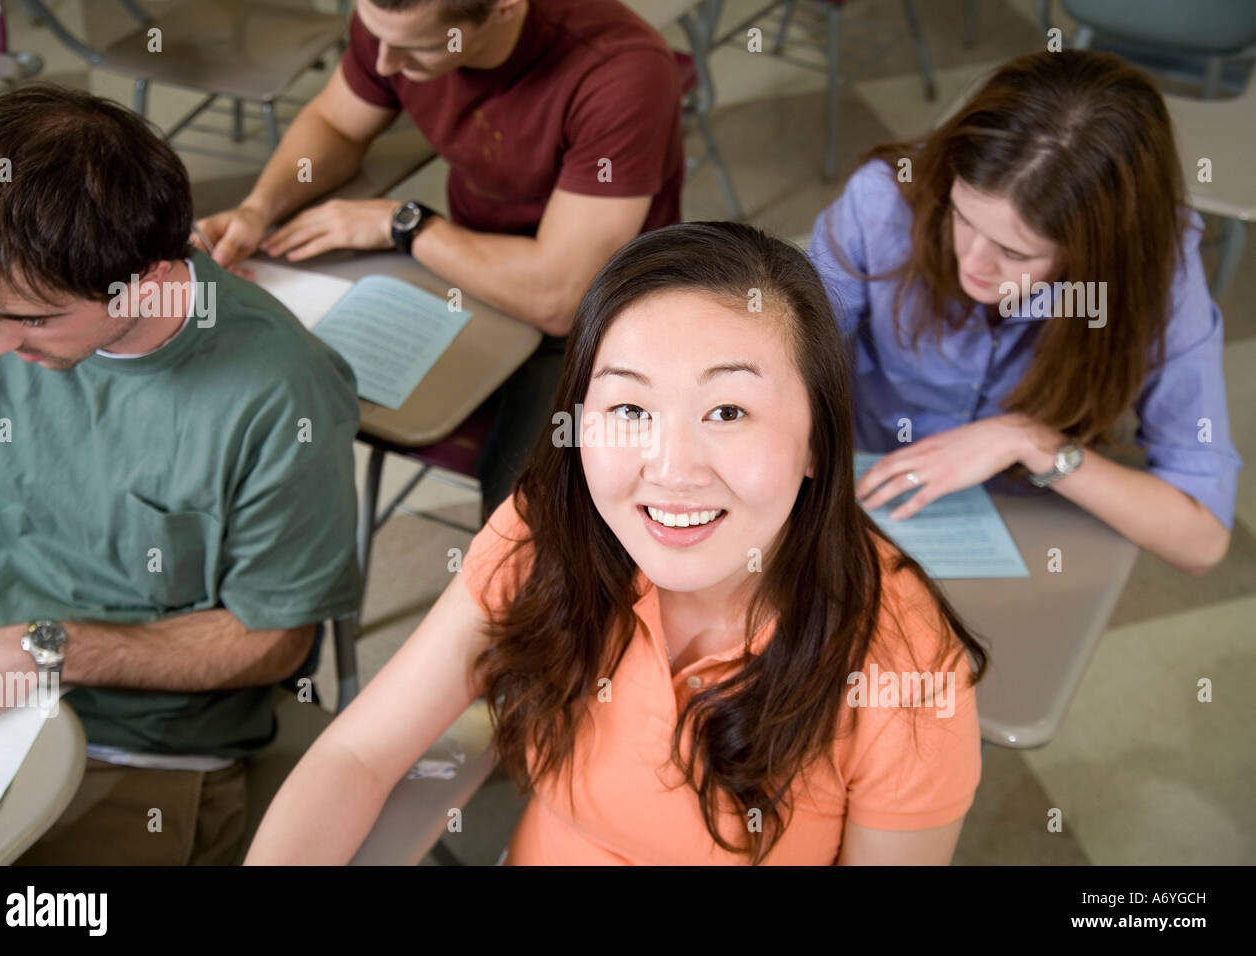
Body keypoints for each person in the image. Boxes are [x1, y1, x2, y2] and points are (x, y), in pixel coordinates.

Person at [245, 222, 988, 865]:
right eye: (630, 406)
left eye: (728, 410)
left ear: (817, 445)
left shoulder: (905, 670)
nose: (670, 470)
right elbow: (357, 754)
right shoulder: (549, 528)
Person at [0, 85, 363, 865]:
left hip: (150, 746)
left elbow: (274, 640)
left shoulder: (279, 393)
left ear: (148, 281)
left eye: (34, 320)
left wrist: (43, 651)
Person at [197, 0, 685, 520]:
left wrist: (403, 224)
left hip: (600, 306)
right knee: (258, 389)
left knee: (524, 517)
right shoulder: (395, 21)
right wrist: (259, 207)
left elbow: (558, 298)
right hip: (460, 267)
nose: (383, 62)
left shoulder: (619, 72)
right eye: (375, 35)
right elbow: (337, 125)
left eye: (414, 48)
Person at [807, 50, 1241, 576]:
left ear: (1096, 253)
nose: (974, 263)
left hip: (1027, 509)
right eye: (963, 218)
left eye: (1015, 253)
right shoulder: (884, 202)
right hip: (865, 476)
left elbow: (1202, 540)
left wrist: (1030, 441)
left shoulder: (1159, 273)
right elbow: (788, 355)